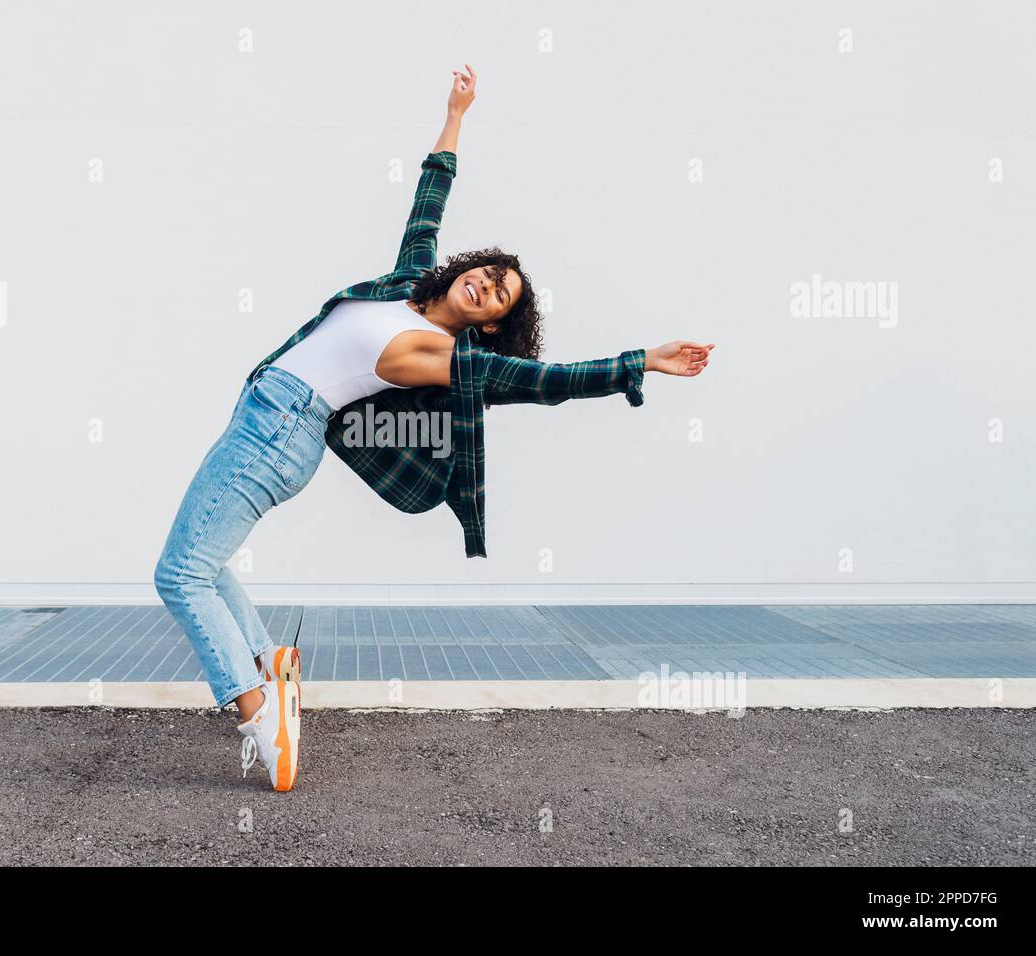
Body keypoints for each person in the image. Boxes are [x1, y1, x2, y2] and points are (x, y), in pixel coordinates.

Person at [154, 64, 715, 791]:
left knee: (180, 574)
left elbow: (546, 382)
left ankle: (262, 718)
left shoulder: (442, 355)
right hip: (264, 415)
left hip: (280, 430)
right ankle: (269, 663)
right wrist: (456, 114)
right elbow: (428, 201)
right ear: (465, 270)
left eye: (498, 296)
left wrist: (638, 361)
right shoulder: (405, 288)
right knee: (203, 559)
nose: (485, 283)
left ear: (491, 322)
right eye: (487, 272)